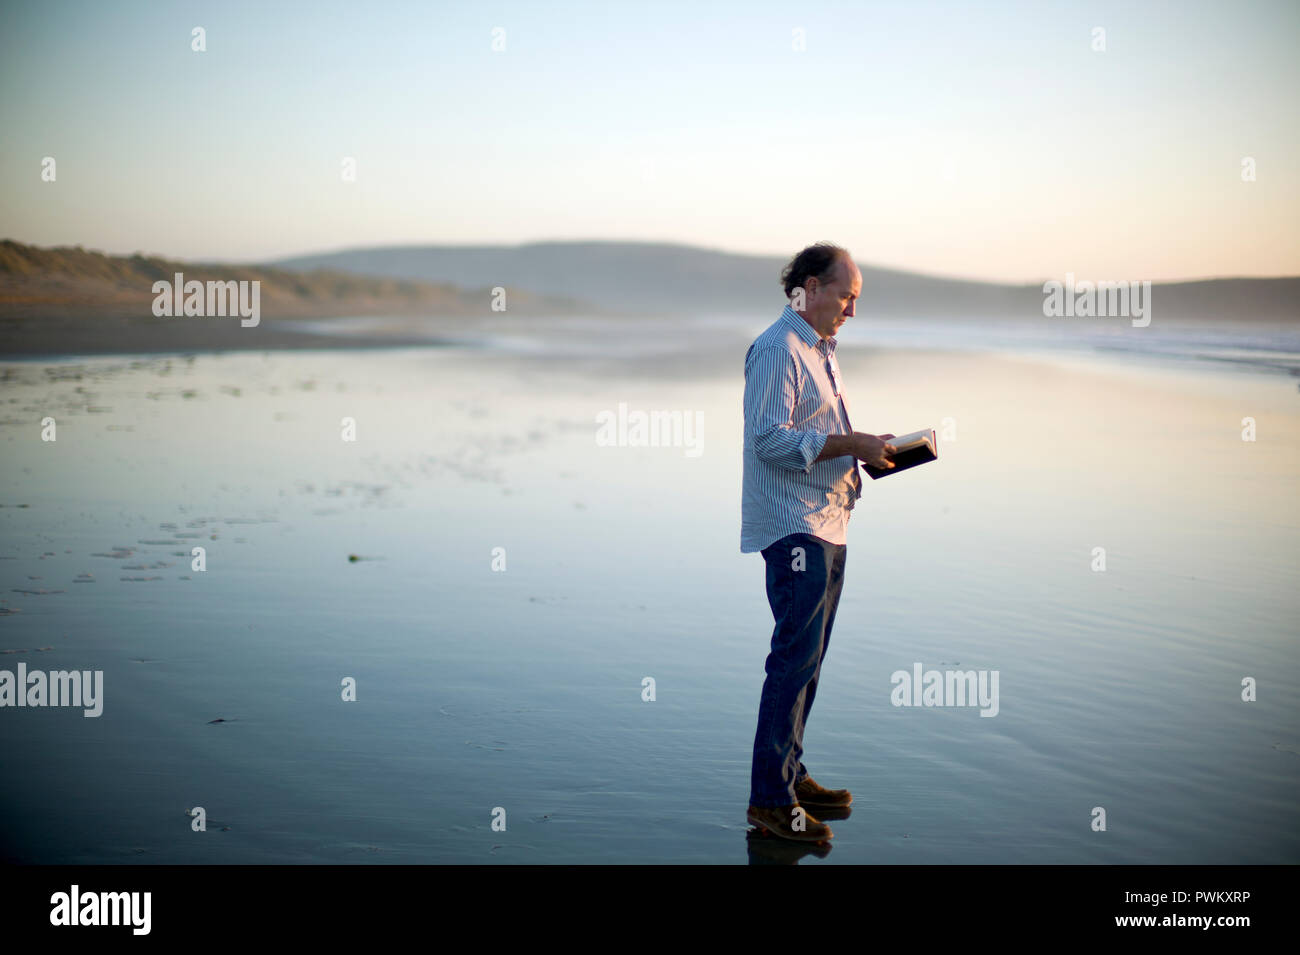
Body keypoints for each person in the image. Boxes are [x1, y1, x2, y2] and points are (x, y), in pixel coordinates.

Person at [741, 241, 896, 843]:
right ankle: (770, 801)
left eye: (857, 299)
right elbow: (770, 442)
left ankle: (790, 774)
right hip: (795, 527)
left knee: (809, 661)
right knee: (792, 660)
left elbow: (816, 432)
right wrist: (851, 445)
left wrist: (868, 450)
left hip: (829, 522)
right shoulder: (778, 348)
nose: (851, 310)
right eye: (846, 295)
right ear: (808, 288)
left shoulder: (819, 352)